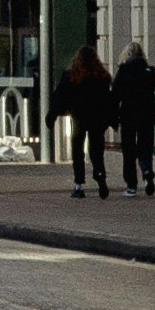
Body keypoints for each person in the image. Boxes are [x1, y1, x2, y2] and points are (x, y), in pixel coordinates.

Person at [114, 28, 155, 206]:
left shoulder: (123, 72)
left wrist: (114, 118)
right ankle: (147, 171)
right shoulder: (150, 71)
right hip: (146, 116)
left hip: (128, 116)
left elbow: (115, 97)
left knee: (128, 151)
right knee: (145, 148)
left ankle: (131, 185)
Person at [59, 43, 111, 201]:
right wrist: (112, 118)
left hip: (79, 117)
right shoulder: (102, 76)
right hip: (97, 117)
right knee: (96, 151)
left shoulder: (71, 75)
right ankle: (100, 174)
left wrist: (54, 113)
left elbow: (61, 95)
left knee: (77, 151)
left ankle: (79, 184)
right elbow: (108, 99)